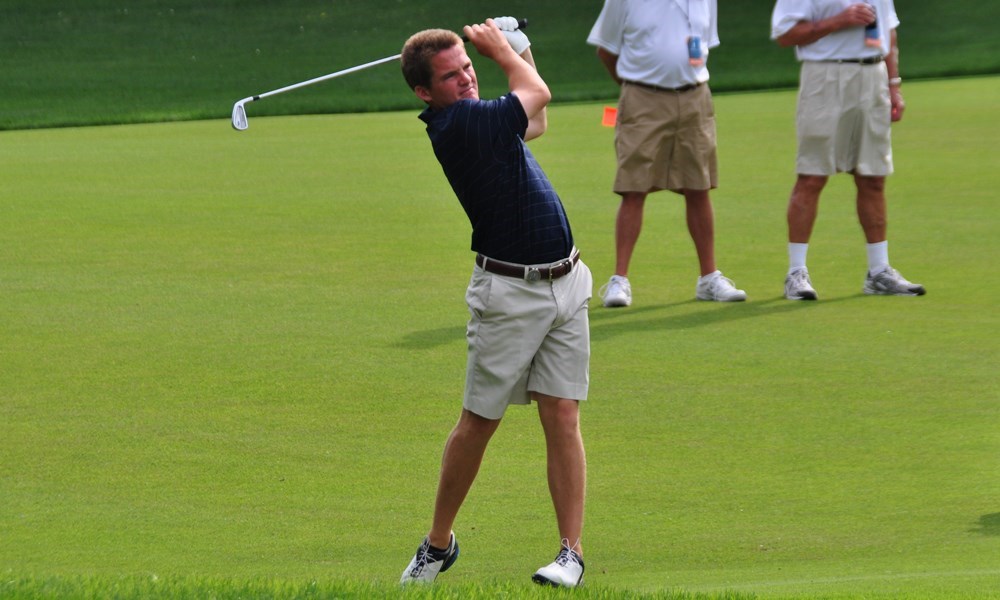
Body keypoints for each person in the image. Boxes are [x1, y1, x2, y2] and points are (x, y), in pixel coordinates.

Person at [397, 18, 590, 588]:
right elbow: (538, 93)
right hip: (508, 293)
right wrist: (503, 47)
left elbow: (537, 118)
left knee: (563, 414)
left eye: (468, 67)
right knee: (479, 422)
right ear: (424, 92)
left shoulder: (483, 115)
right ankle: (438, 545)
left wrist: (519, 46)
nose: (466, 78)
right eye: (450, 75)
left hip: (567, 281)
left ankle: (570, 554)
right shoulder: (458, 123)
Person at [587, 0, 746, 308]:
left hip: (695, 97)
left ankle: (709, 278)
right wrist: (634, 87)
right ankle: (619, 280)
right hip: (642, 96)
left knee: (699, 186)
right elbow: (606, 50)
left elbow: (703, 46)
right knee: (633, 188)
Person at [771, 0, 925, 300]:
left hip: (874, 76)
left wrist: (894, 85)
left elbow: (889, 30)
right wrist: (838, 21)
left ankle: (879, 271)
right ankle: (796, 273)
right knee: (812, 176)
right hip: (825, 76)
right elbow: (785, 35)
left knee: (873, 177)